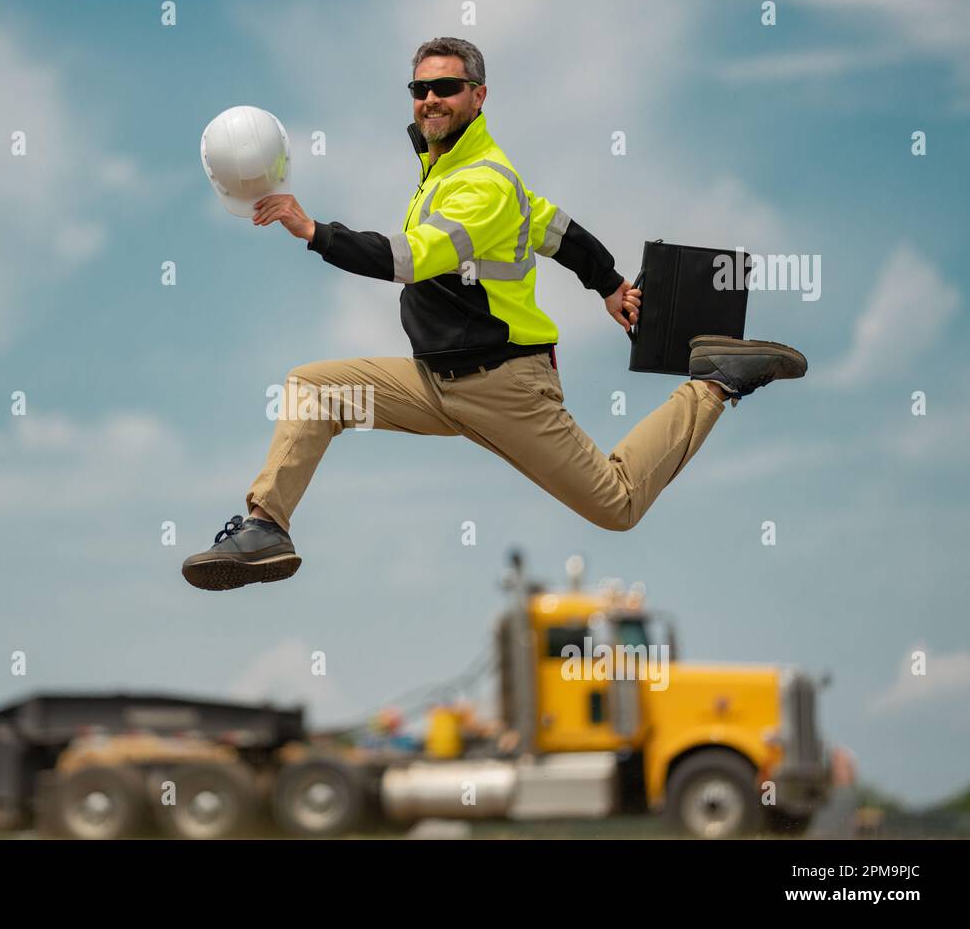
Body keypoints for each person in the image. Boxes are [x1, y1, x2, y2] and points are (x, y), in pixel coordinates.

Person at [182, 36, 806, 591]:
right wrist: (610, 282)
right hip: (435, 382)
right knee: (313, 391)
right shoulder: (446, 168)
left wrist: (313, 229)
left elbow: (407, 259)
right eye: (420, 89)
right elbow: (553, 227)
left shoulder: (481, 181)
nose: (430, 99)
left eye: (446, 88)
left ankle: (716, 381)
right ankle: (266, 529)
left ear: (478, 96)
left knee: (617, 504)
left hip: (505, 387)